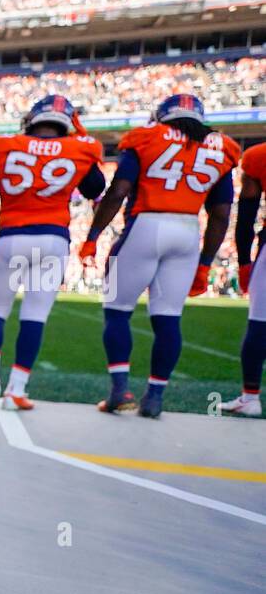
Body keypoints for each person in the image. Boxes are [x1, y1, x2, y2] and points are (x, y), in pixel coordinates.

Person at [80, 94, 239, 419]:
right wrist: (205, 262)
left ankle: (119, 391)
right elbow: (221, 214)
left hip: (145, 225)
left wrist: (92, 236)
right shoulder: (222, 147)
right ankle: (154, 397)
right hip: (187, 231)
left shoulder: (145, 137)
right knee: (168, 318)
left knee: (116, 310)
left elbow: (119, 191)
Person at [0, 96, 104, 410]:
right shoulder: (81, 147)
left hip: (11, 237)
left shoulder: (6, 145)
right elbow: (97, 189)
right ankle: (17, 390)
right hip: (53, 239)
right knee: (35, 315)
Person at [219, 141, 266, 417]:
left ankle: (250, 397)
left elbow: (246, 218)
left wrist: (245, 263)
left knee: (260, 324)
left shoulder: (258, 156)